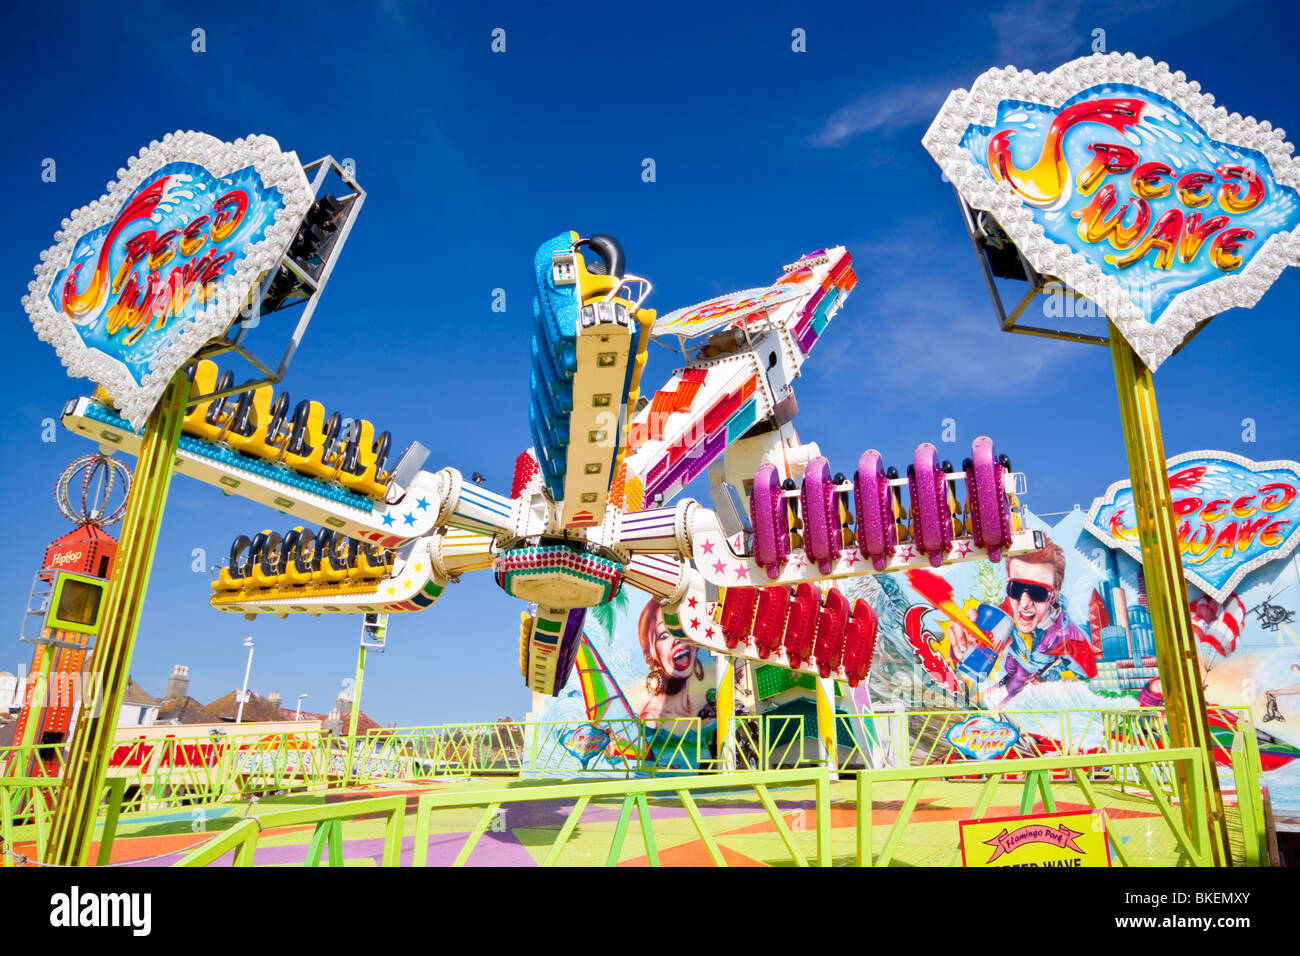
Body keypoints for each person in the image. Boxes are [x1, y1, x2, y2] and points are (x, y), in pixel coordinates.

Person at [946, 538, 1097, 702]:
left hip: (1030, 676)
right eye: (1016, 589)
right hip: (1015, 665)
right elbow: (971, 643)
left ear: (1052, 596)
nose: (1024, 604)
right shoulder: (1004, 615)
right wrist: (960, 643)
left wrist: (1049, 680)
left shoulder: (1072, 640)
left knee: (1013, 690)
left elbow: (1088, 676)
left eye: (1038, 592)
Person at [636, 598, 708, 721]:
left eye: (682, 629)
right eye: (664, 635)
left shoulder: (701, 711)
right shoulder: (651, 719)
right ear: (650, 657)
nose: (677, 639)